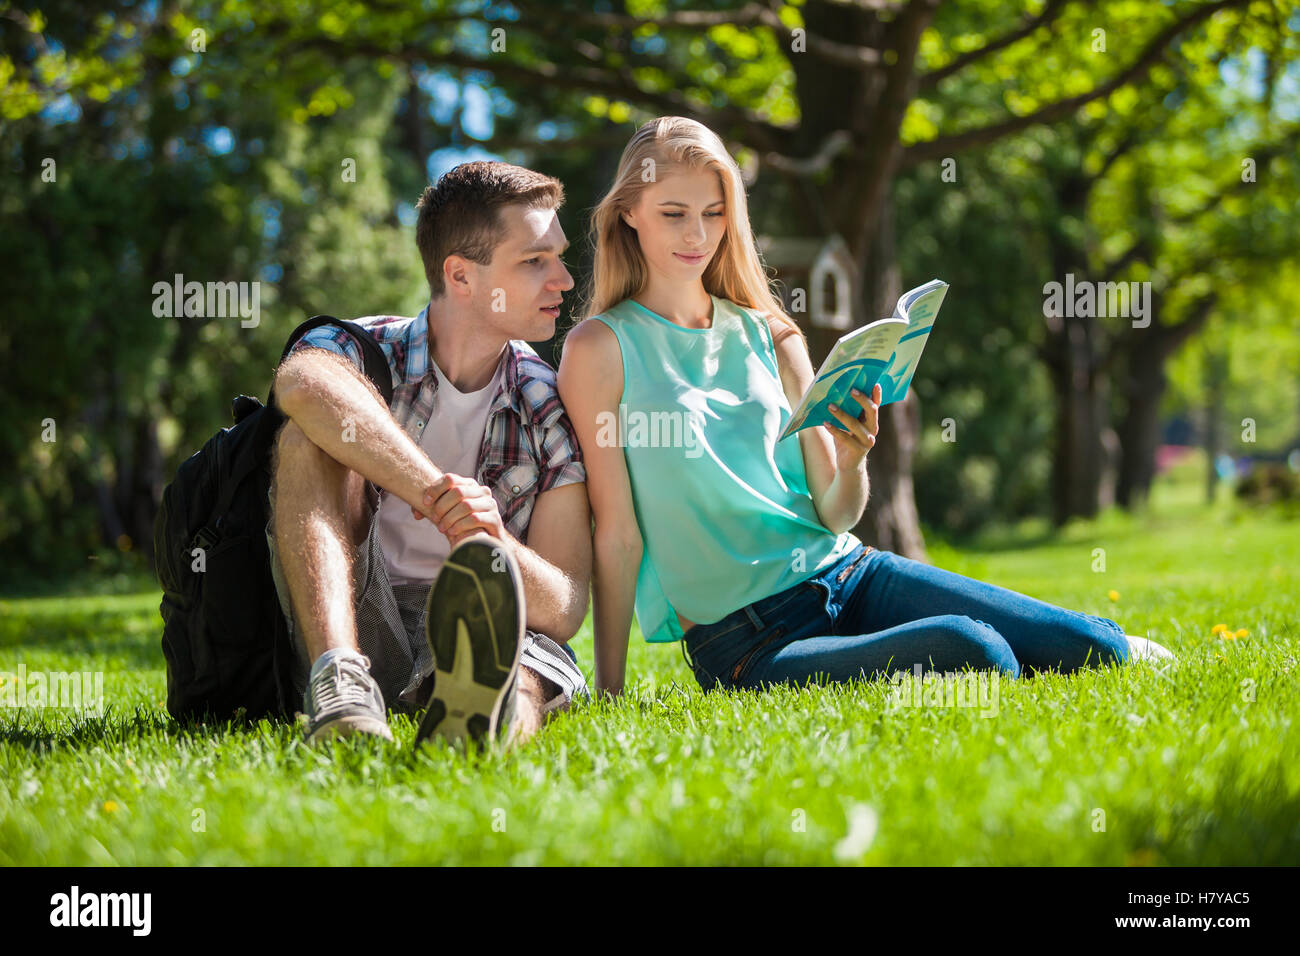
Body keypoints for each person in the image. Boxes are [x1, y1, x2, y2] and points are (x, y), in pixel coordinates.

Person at [557, 116, 1174, 699]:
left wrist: (853, 460)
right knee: (976, 651)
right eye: (674, 214)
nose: (697, 235)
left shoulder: (772, 336)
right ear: (629, 212)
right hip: (748, 641)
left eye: (714, 214)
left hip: (851, 574)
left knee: (1096, 646)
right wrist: (609, 688)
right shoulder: (600, 349)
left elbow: (835, 515)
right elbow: (618, 533)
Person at [270, 161, 591, 746]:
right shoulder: (367, 350)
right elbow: (300, 384)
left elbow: (565, 607)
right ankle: (341, 691)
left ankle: (484, 731)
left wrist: (486, 539)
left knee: (522, 672)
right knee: (304, 435)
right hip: (356, 616)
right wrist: (435, 495)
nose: (564, 280)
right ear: (461, 277)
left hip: (479, 624)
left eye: (558, 256)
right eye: (534, 261)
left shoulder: (547, 400)